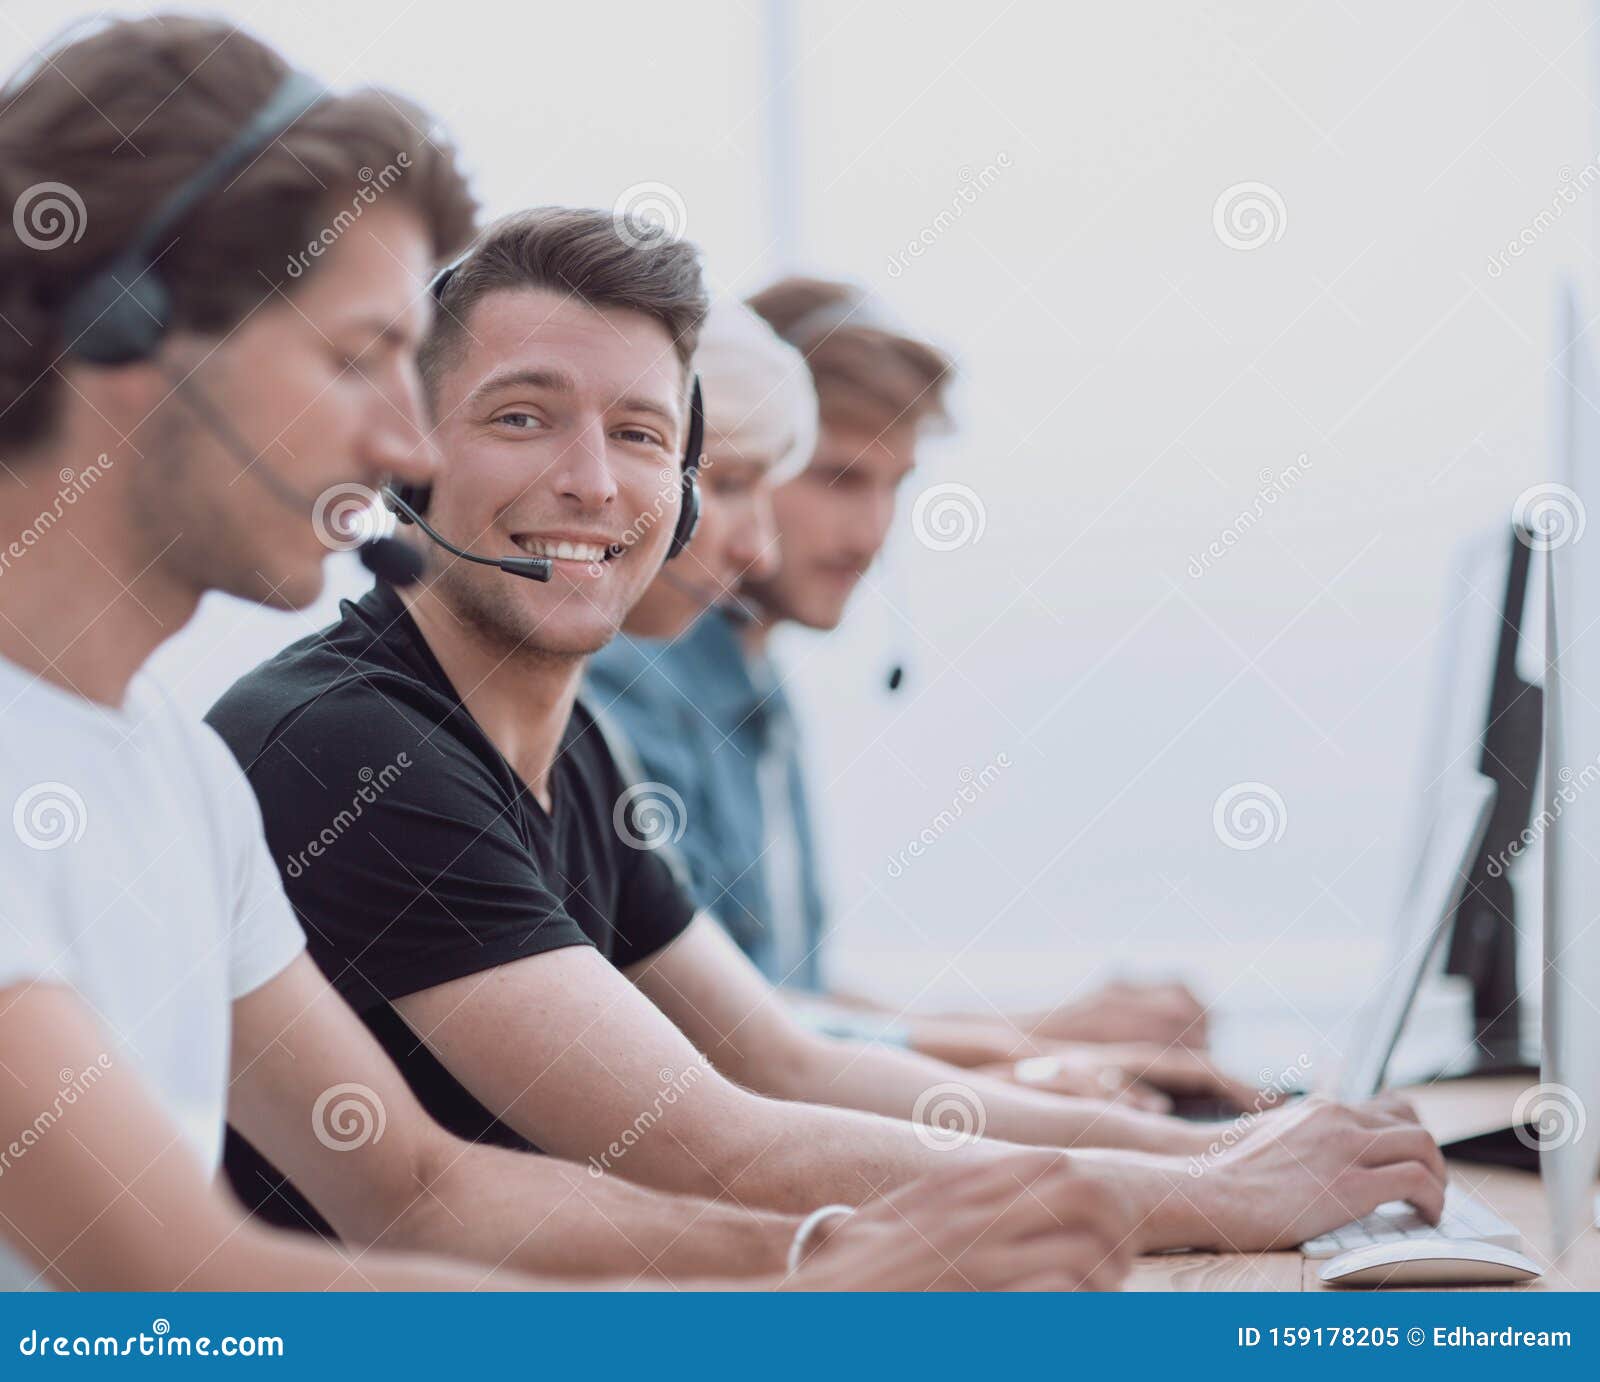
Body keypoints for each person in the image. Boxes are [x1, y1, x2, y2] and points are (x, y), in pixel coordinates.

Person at [0, 15, 1132, 1294]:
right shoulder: (290, 744)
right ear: (118, 326)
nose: (402, 445)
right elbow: (184, 1290)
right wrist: (801, 1299)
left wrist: (817, 1250)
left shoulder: (174, 773)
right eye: (353, 360)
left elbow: (414, 1185)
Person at [208, 204, 1449, 1253]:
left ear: (679, 487)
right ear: (413, 461)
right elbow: (713, 1139)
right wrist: (1211, 1194)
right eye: (523, 416)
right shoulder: (348, 747)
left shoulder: (573, 749)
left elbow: (788, 1061)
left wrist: (1209, 1149)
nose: (592, 479)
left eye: (640, 434)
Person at [584, 276, 1240, 1108]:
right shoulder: (632, 678)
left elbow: (772, 996)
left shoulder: (756, 687)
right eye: (838, 478)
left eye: (895, 486)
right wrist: (1038, 1047)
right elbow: (710, 1035)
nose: (872, 534)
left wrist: (1055, 1038)